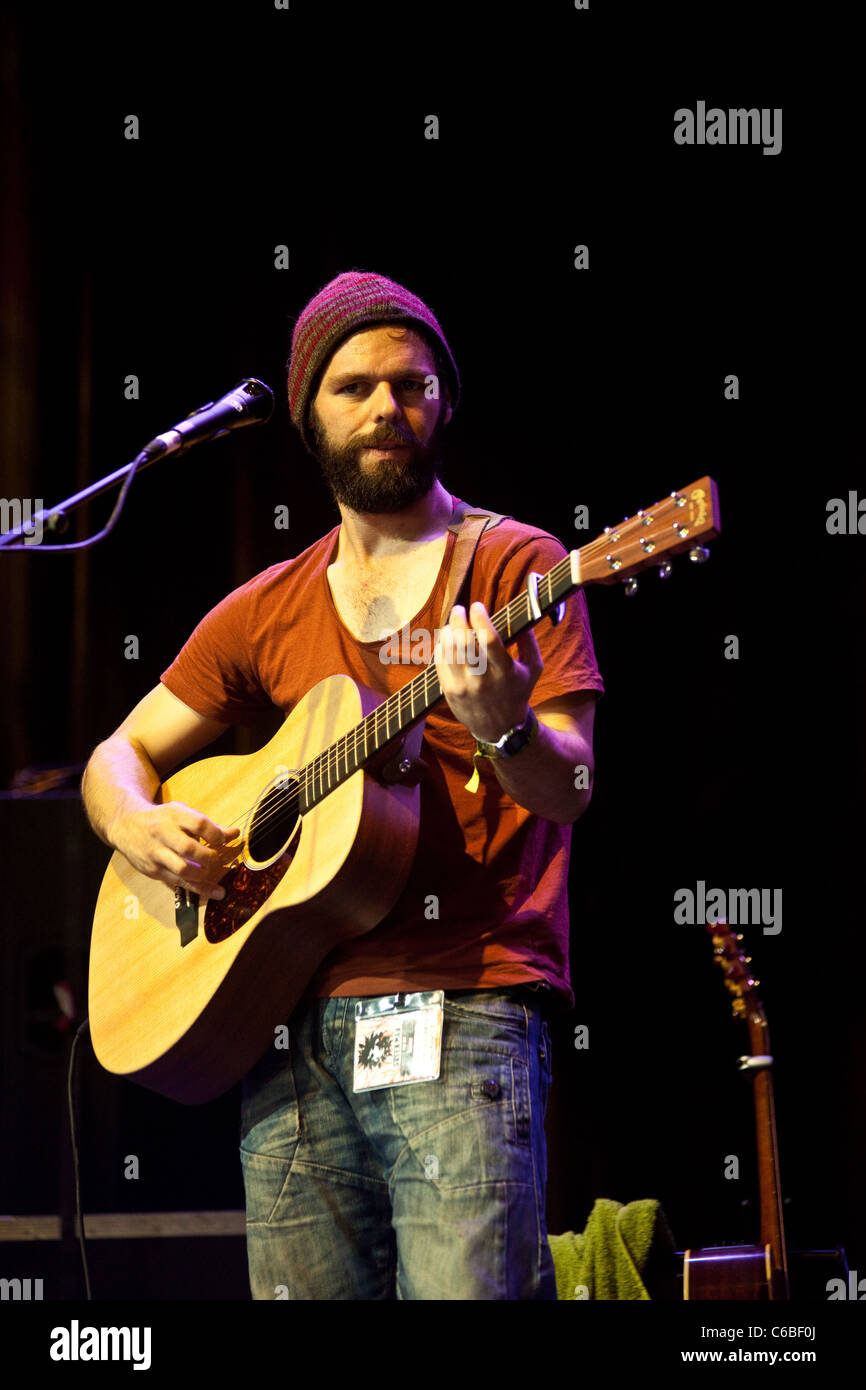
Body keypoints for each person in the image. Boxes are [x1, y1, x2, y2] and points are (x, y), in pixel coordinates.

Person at [81, 269, 605, 1300]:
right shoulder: (267, 607)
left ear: (444, 402)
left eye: (412, 385)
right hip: (283, 1023)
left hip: (465, 1007)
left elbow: (570, 786)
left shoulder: (517, 568)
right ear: (308, 416)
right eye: (354, 387)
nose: (386, 408)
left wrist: (504, 728)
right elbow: (115, 756)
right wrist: (137, 825)